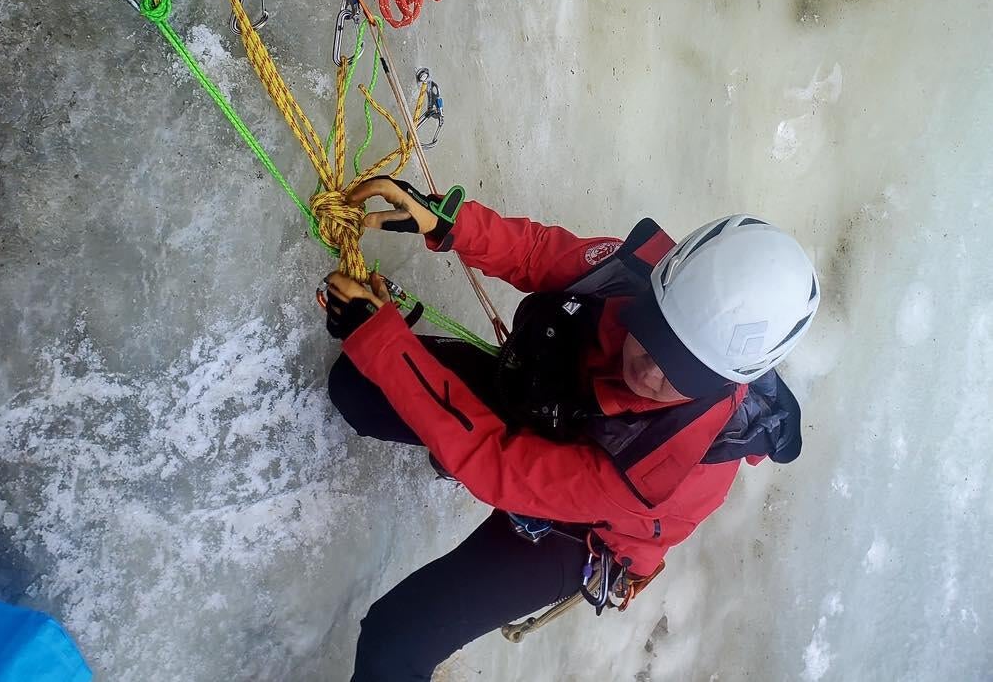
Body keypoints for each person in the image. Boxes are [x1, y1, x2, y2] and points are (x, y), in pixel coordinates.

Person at [325, 178, 820, 682]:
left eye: (682, 377)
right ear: (656, 291)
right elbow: (539, 254)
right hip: (558, 406)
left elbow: (496, 464)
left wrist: (383, 340)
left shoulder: (659, 472)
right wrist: (449, 224)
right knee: (358, 383)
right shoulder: (644, 277)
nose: (649, 374)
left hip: (581, 532)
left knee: (396, 637)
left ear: (721, 385)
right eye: (652, 338)